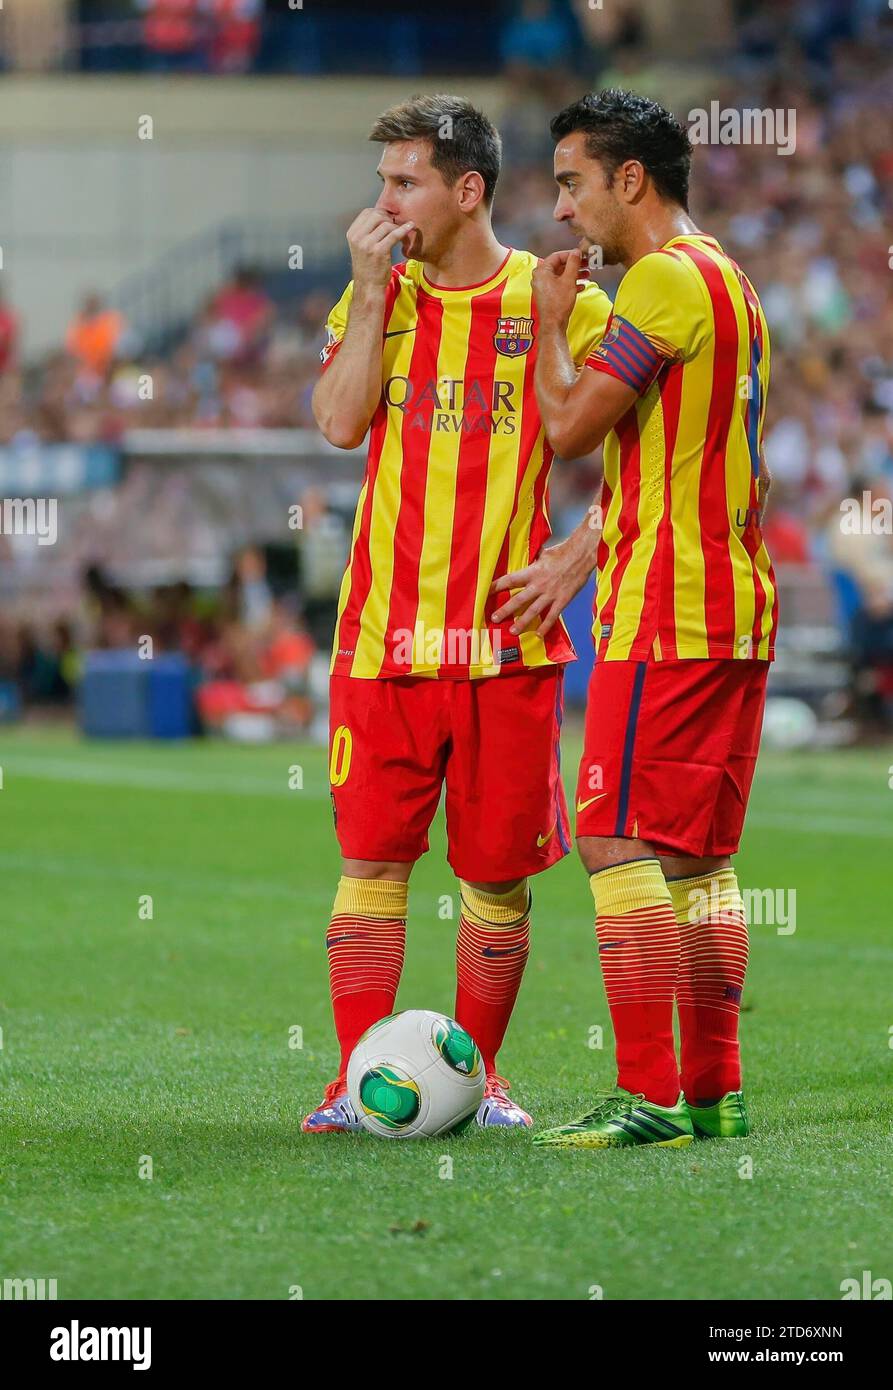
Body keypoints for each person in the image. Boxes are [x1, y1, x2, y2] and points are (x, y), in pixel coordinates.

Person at [304, 94, 611, 1133]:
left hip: (505, 646)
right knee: (372, 864)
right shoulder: (378, 297)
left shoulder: (556, 295)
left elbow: (662, 453)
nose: (381, 202)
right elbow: (341, 422)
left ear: (464, 189)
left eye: (402, 182)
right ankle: (355, 1083)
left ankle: (480, 1085)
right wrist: (363, 288)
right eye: (382, 180)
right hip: (382, 639)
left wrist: (578, 551)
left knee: (495, 879)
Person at [492, 89, 777, 1149]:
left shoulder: (658, 280)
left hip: (665, 611)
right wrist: (577, 552)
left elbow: (566, 430)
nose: (561, 210)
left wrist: (553, 326)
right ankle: (713, 1093)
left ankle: (647, 1092)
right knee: (698, 861)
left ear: (627, 180)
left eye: (570, 182)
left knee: (612, 838)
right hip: (735, 607)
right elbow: (675, 462)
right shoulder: (731, 283)